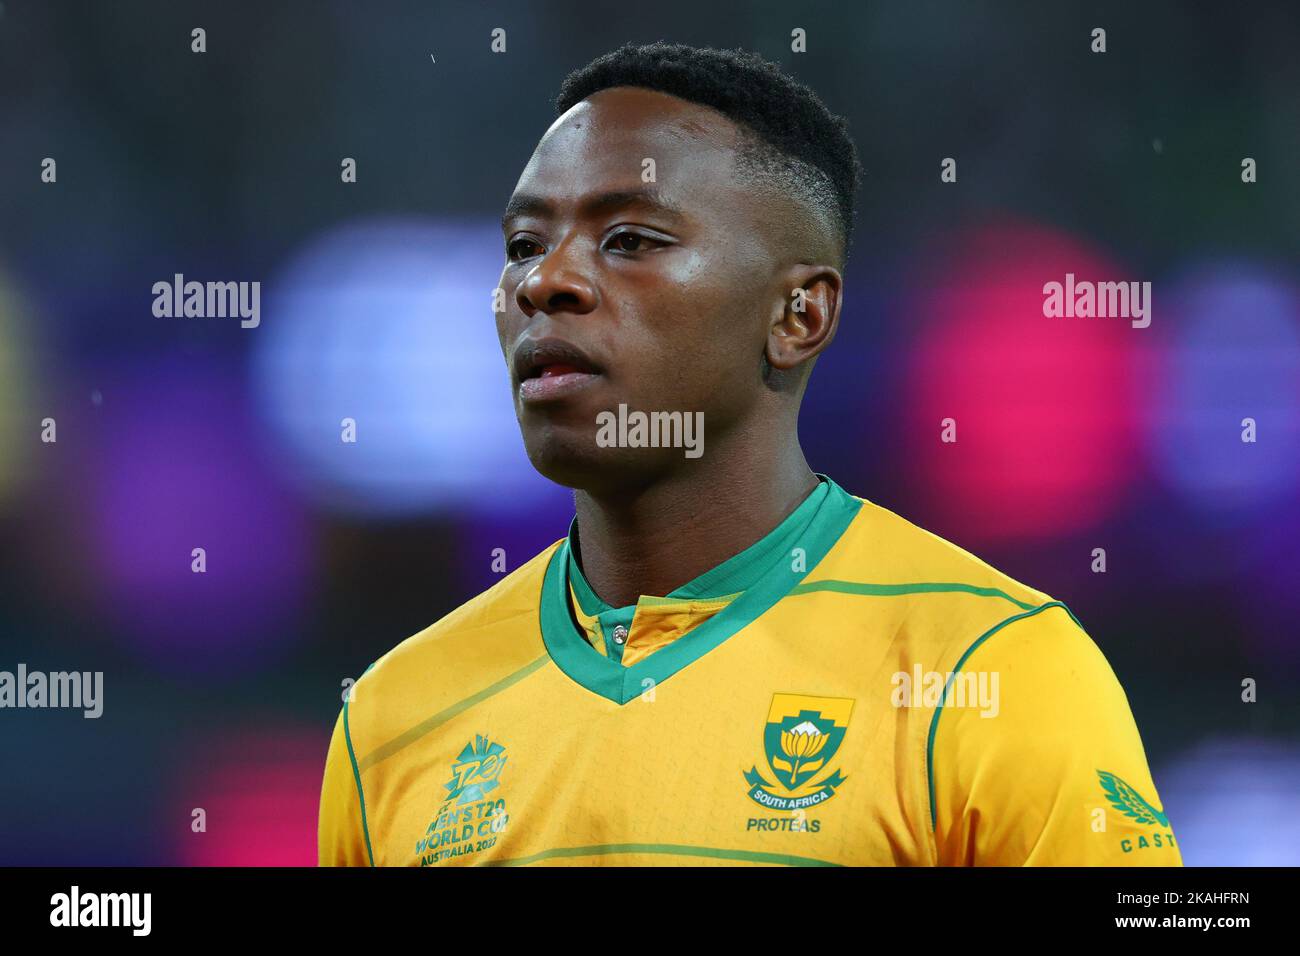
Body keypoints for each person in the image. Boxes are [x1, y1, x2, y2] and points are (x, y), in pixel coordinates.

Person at [319, 41, 1181, 867]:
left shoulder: (992, 670)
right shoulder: (393, 718)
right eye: (523, 246)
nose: (546, 281)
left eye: (629, 240)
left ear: (797, 316)